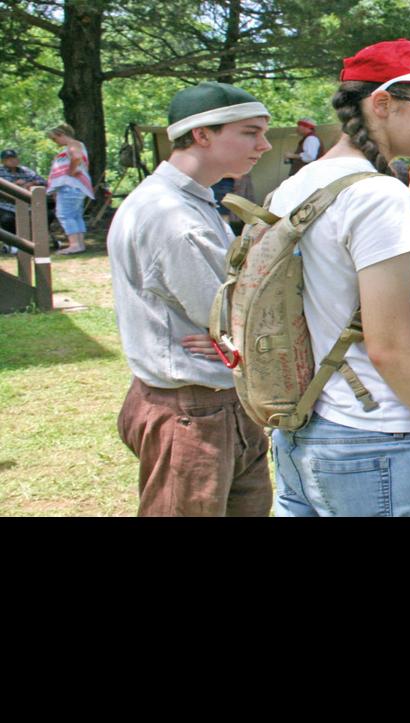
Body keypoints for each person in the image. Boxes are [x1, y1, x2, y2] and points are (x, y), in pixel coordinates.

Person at [267, 39, 410, 517]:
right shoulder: (377, 195)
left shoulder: (295, 185)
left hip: (302, 432)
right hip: (379, 439)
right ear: (382, 103)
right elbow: (391, 346)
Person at [106, 82, 275, 516]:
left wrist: (233, 333)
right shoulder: (174, 217)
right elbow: (230, 318)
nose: (264, 145)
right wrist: (237, 332)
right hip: (196, 408)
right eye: (250, 133)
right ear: (202, 134)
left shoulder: (186, 201)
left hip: (213, 402)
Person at [45, 123, 94, 254]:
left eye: (55, 139)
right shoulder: (76, 145)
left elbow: (76, 157)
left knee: (65, 214)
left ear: (61, 134)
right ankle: (79, 244)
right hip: (76, 186)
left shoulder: (73, 144)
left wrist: (71, 171)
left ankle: (74, 245)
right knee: (75, 215)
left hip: (70, 186)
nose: (55, 142)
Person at [1, 149, 49, 247]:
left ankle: (35, 241)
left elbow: (43, 182)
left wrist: (30, 183)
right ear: (3, 161)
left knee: (48, 214)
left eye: (14, 158)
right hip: (6, 205)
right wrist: (13, 185)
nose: (12, 161)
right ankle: (12, 243)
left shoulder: (26, 171)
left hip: (28, 204)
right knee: (7, 219)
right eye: (8, 159)